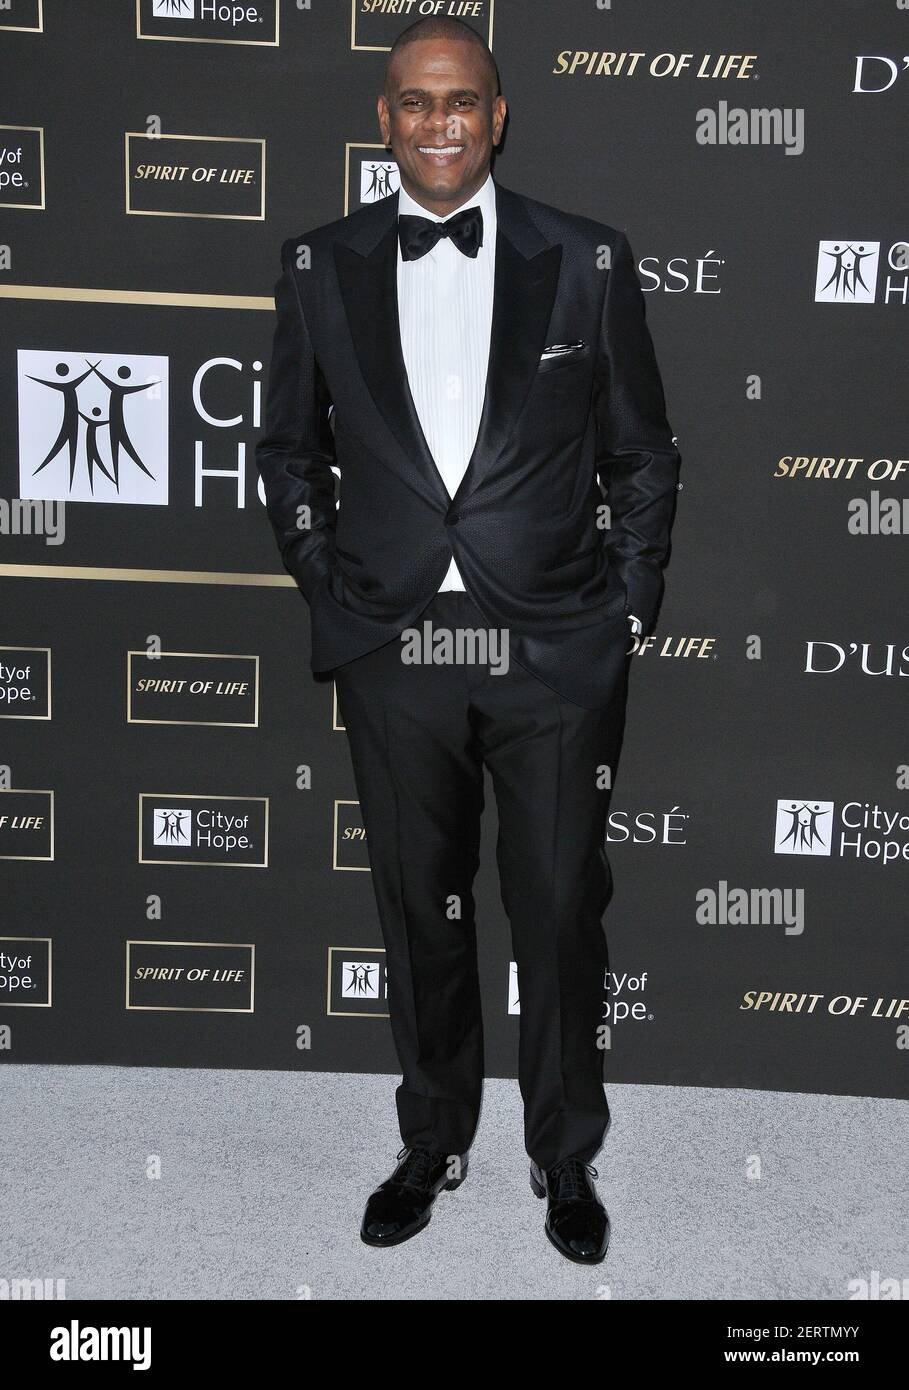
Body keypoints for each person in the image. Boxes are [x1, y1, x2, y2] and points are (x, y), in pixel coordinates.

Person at [256, 15, 680, 1265]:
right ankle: (434, 1138)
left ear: (497, 116)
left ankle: (566, 1158)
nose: (437, 122)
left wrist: (626, 608)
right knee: (420, 913)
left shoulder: (588, 260)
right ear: (383, 118)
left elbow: (643, 455)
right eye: (412, 102)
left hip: (551, 651)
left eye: (462, 101)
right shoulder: (319, 264)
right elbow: (287, 449)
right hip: (394, 649)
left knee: (557, 913)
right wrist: (333, 589)